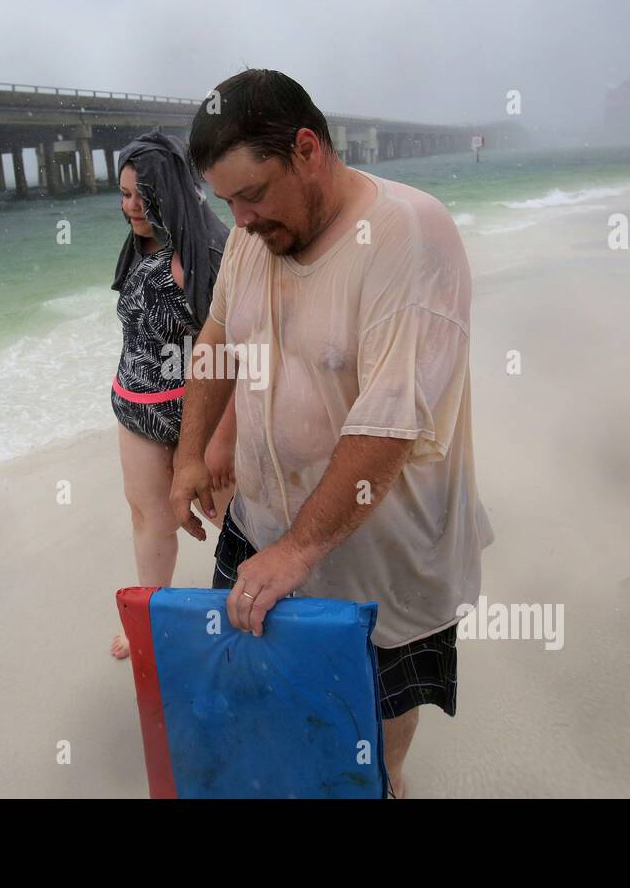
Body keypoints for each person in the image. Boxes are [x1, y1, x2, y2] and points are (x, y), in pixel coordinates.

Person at [169, 70, 495, 798]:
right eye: (227, 203)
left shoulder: (408, 237)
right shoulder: (258, 236)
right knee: (263, 689)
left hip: (383, 551)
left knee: (375, 720)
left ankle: (386, 782)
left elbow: (389, 423)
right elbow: (220, 340)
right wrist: (192, 455)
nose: (242, 220)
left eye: (252, 195)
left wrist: (302, 548)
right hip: (260, 525)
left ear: (307, 149)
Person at [109, 130, 236, 660]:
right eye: (123, 194)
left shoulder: (212, 249)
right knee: (149, 518)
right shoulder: (141, 240)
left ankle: (243, 618)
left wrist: (219, 439)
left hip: (199, 414)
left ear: (172, 190)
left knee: (232, 521)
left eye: (143, 194)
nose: (131, 206)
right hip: (135, 407)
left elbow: (233, 351)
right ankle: (151, 622)